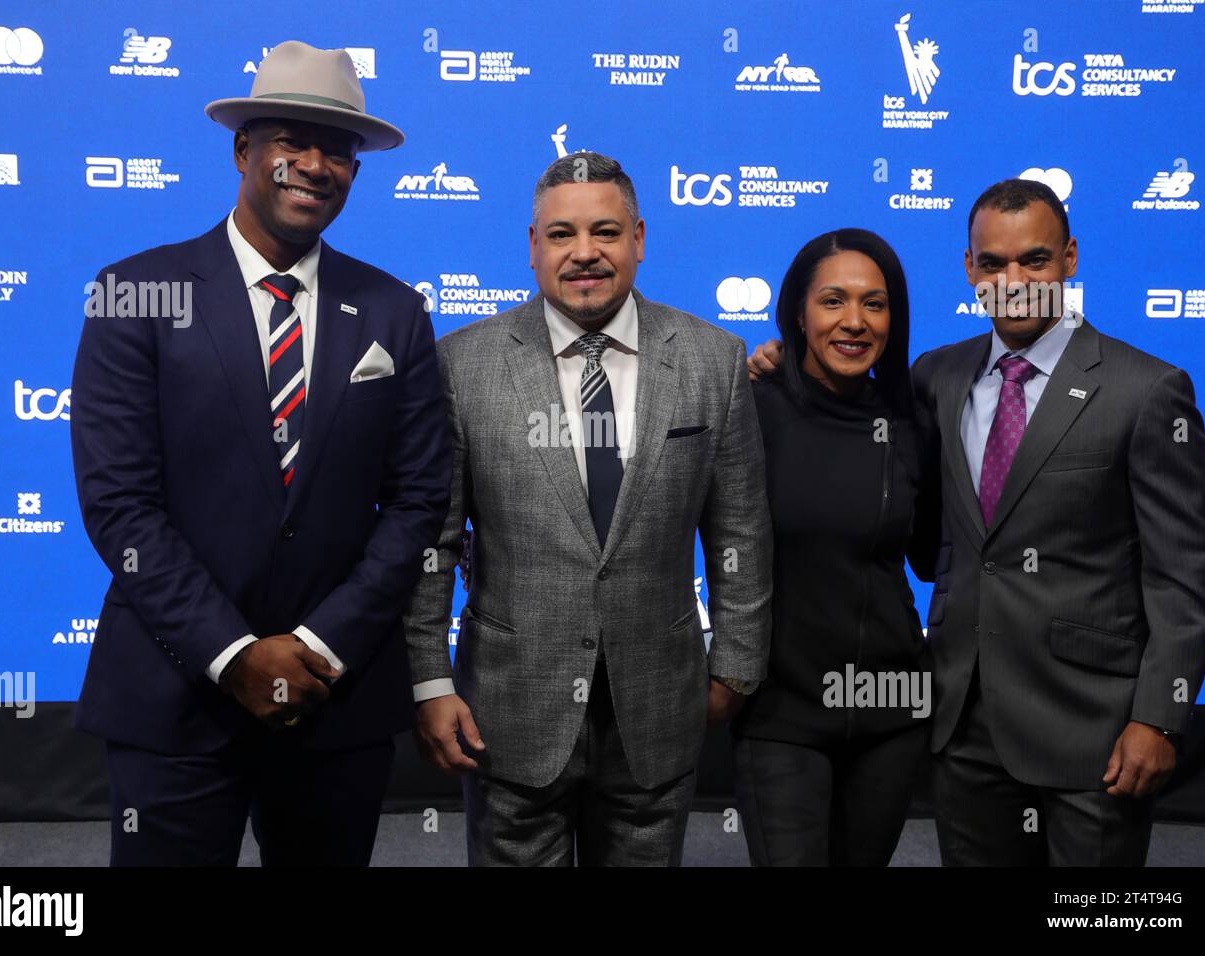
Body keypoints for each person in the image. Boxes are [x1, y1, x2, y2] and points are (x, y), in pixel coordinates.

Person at [749, 179, 1205, 866]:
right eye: (994, 263)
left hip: (1094, 734)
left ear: (1069, 259)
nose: (1015, 280)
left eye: (1034, 259)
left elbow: (1186, 576)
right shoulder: (933, 380)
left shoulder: (1146, 389)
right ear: (970, 270)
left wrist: (1158, 717)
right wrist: (779, 363)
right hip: (961, 728)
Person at [69, 41, 451, 865]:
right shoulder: (134, 292)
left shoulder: (394, 310)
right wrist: (235, 655)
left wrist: (315, 648)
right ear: (243, 151)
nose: (315, 164)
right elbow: (119, 504)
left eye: (338, 148)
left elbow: (421, 499)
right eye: (291, 140)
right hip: (174, 693)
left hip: (336, 699)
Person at [403, 152, 772, 866]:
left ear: (639, 237)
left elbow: (742, 531)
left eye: (604, 232)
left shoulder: (711, 358)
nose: (584, 254)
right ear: (533, 247)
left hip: (660, 705)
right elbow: (434, 540)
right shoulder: (463, 363)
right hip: (507, 707)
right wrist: (429, 678)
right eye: (562, 234)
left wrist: (735, 666)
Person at [733, 228, 932, 866]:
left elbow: (933, 556)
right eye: (833, 301)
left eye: (875, 303)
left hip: (891, 710)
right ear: (797, 311)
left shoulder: (911, 420)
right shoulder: (749, 408)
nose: (854, 321)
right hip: (781, 714)